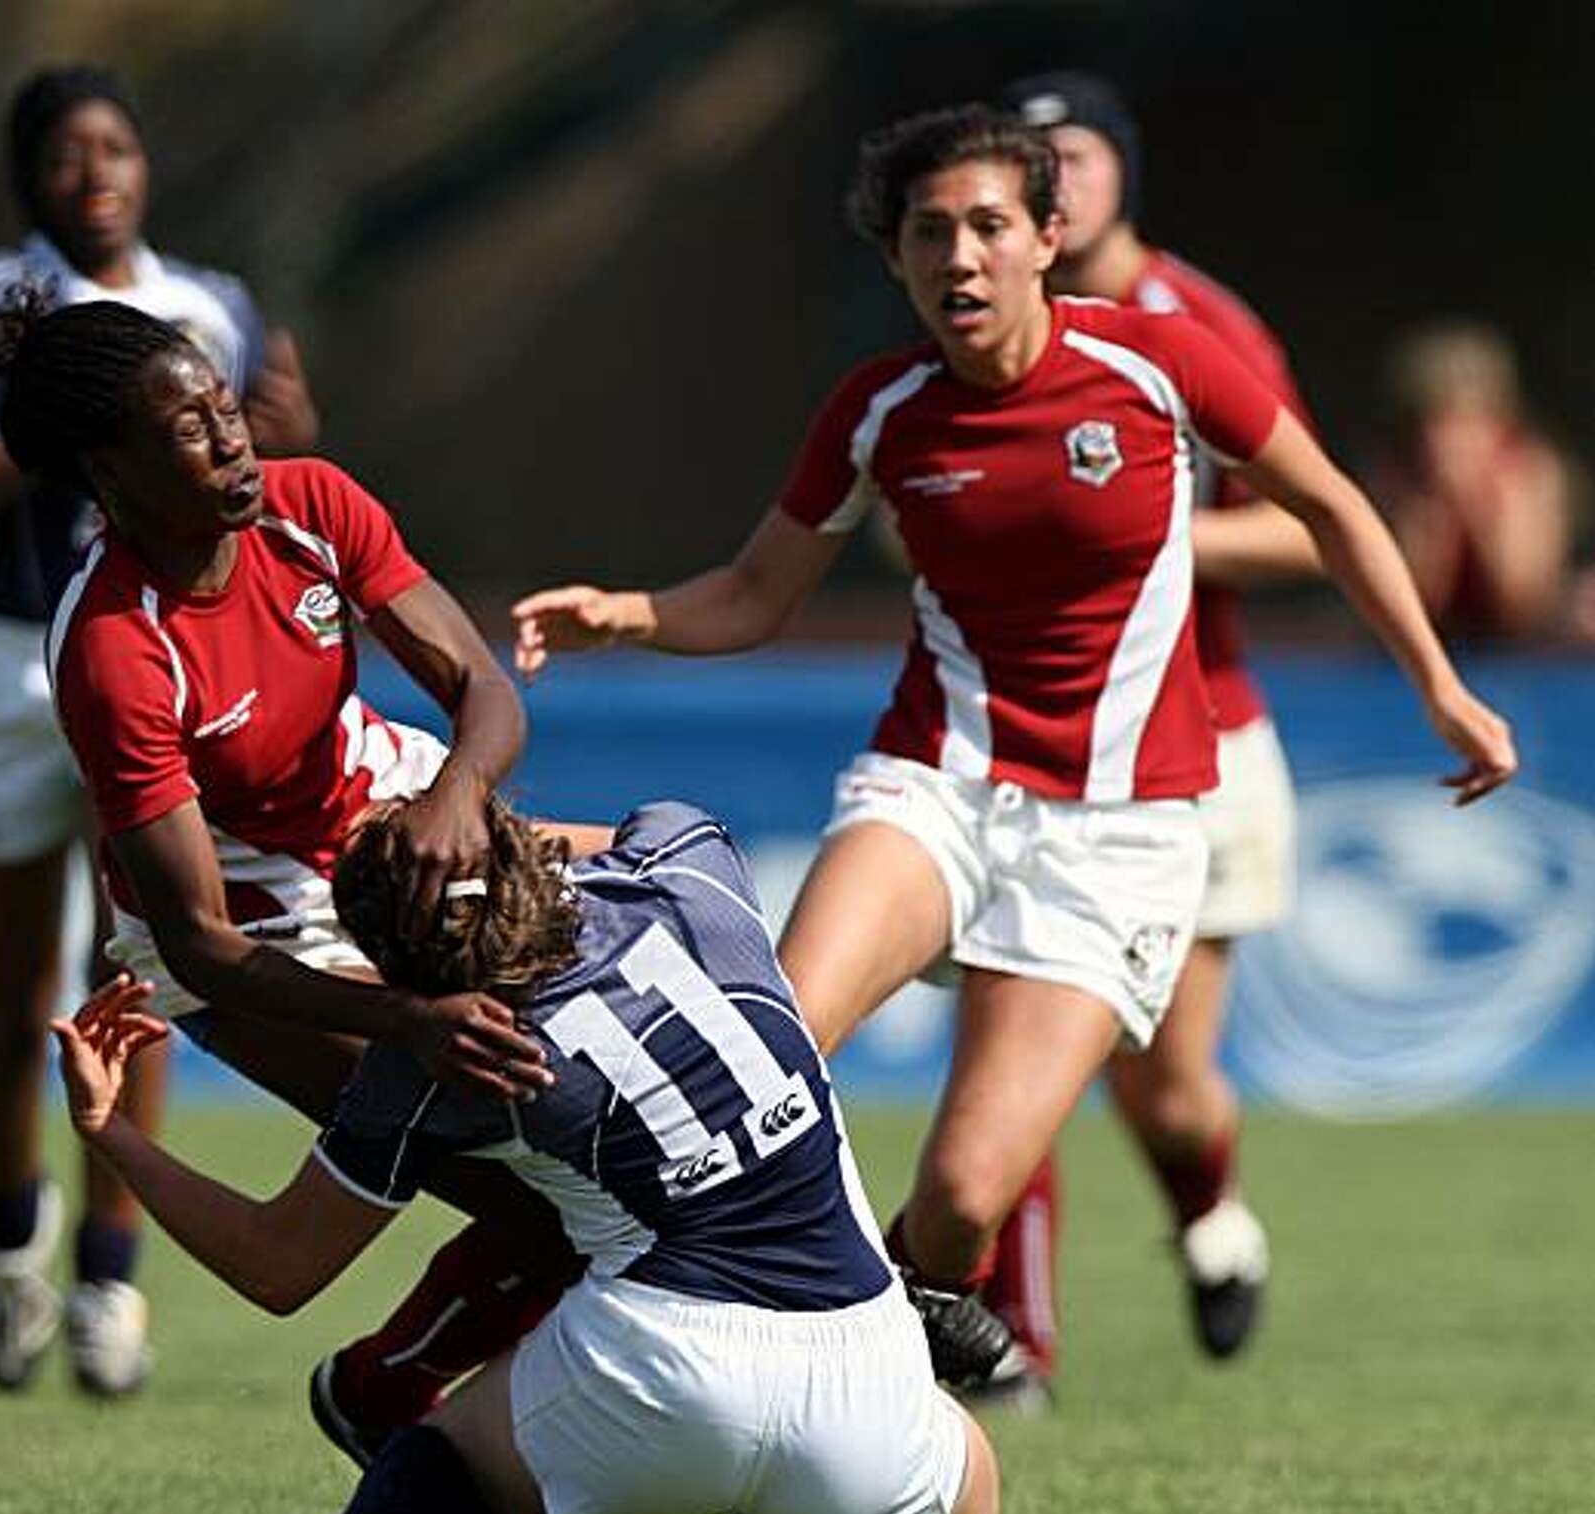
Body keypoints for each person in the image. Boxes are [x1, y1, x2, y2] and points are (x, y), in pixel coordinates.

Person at [509, 106, 1516, 1408]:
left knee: (966, 1198)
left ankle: (881, 1332)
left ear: (1049, 238)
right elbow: (759, 592)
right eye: (930, 234)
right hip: (935, 784)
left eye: (989, 227)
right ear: (899, 261)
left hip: (1121, 831)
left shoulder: (1164, 362)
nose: (962, 259)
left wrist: (1440, 685)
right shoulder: (880, 409)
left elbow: (1332, 506)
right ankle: (690, 1342)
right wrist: (634, 614)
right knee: (765, 1043)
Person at [0, 290, 590, 1475]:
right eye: (190, 428)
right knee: (538, 1205)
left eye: (226, 407)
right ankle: (385, 1387)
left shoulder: (312, 504)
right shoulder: (112, 648)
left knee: (668, 885)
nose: (231, 440)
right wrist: (404, 1020)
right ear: (111, 468)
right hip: (251, 934)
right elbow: (194, 940)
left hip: (392, 815)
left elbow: (484, 692)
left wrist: (452, 800)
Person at [52, 797, 999, 1514]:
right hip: (860, 1365)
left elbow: (276, 1263)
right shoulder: (690, 868)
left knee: (446, 1453)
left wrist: (112, 1131)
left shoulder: (429, 1062)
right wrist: (473, 827)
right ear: (517, 843)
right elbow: (619, 834)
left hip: (660, 1380)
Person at [0, 64, 320, 1396]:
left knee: (134, 973)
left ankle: (110, 1277)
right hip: (13, 664)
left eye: (117, 147)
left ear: (145, 167)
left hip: (152, 659)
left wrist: (284, 427)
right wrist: (54, 423)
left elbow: (269, 456)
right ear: (32, 177)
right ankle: (14, 1239)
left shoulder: (212, 307)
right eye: (67, 153)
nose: (97, 172)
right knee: (18, 989)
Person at [947, 69, 1328, 1396]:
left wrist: (1128, 529)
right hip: (1026, 749)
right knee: (1011, 1033)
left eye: (1079, 151)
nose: (1058, 171)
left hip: (1199, 749)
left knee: (1162, 1086)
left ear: (1119, 175)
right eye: (1031, 155)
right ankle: (1010, 1344)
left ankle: (1213, 1212)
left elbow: (1302, 521)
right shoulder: (977, 328)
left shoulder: (1197, 321)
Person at [1372, 321, 1577, 643]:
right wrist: (1435, 517)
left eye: (1464, 422)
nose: (1446, 442)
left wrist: (1477, 509)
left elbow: (1523, 607)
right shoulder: (1399, 476)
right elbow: (1413, 608)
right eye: (1434, 424)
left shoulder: (1530, 470)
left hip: (1523, 655)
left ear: (1498, 422)